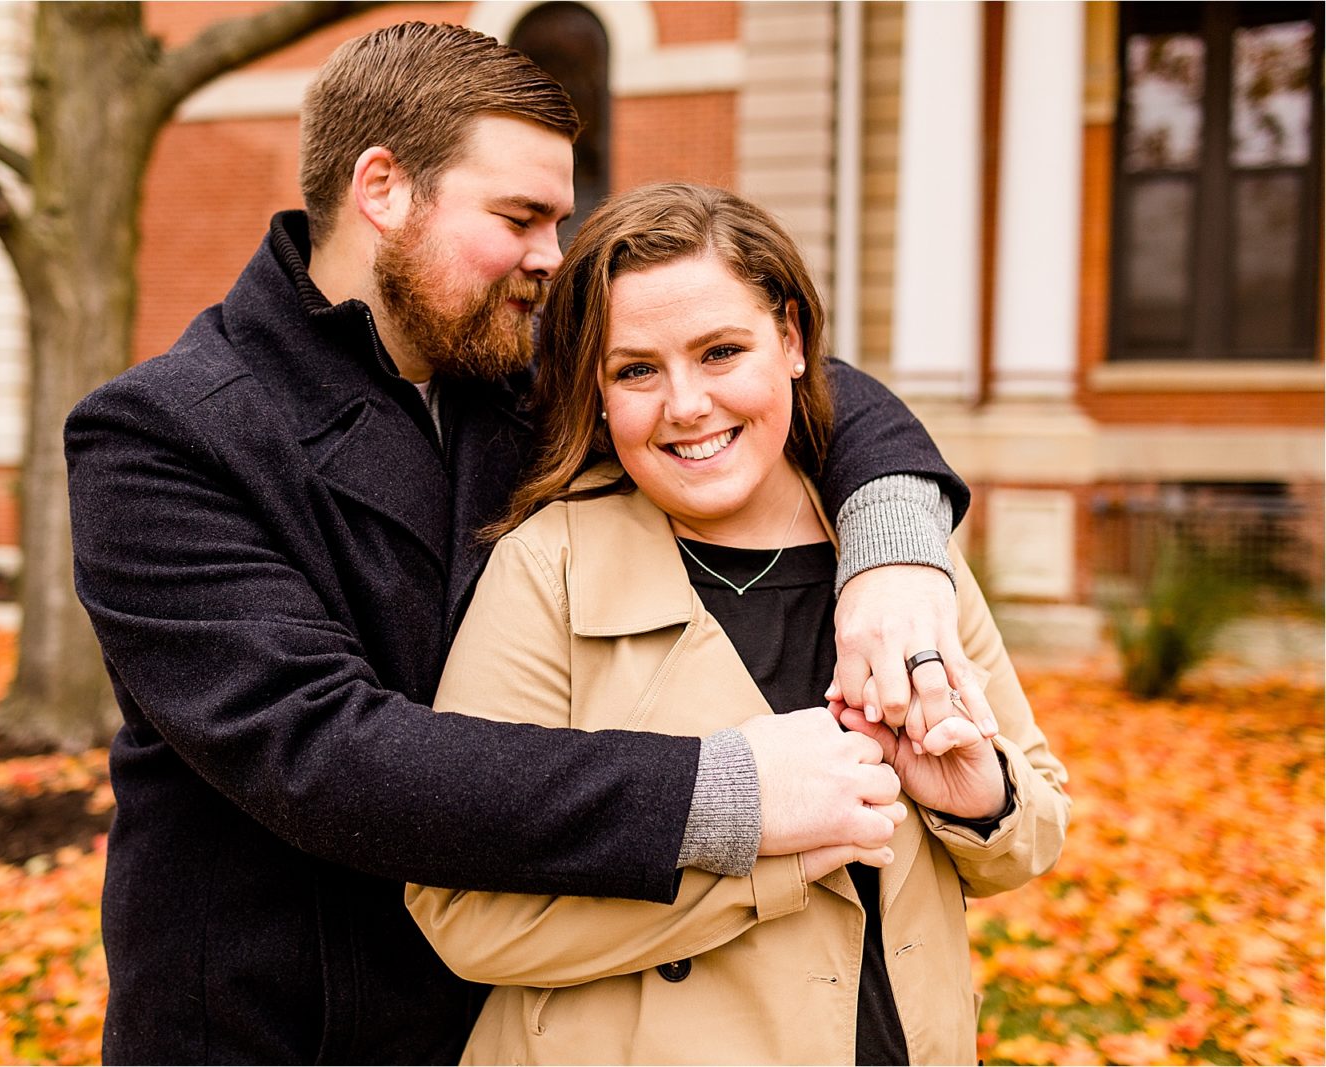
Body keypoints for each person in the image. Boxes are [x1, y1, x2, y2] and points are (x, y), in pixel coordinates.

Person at [66, 22, 985, 1066]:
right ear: (383, 189)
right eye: (521, 217)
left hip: (514, 1013)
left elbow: (789, 381)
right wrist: (726, 788)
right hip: (279, 1026)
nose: (553, 254)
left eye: (559, 217)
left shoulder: (507, 363)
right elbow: (322, 751)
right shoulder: (162, 434)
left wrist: (894, 556)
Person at [406, 183, 1071, 1065]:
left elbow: (1035, 825)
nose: (686, 404)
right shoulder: (545, 570)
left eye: (721, 351)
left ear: (791, 341)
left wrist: (979, 797)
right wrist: (770, 857)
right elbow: (463, 912)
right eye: (636, 370)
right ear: (596, 390)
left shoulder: (898, 561)